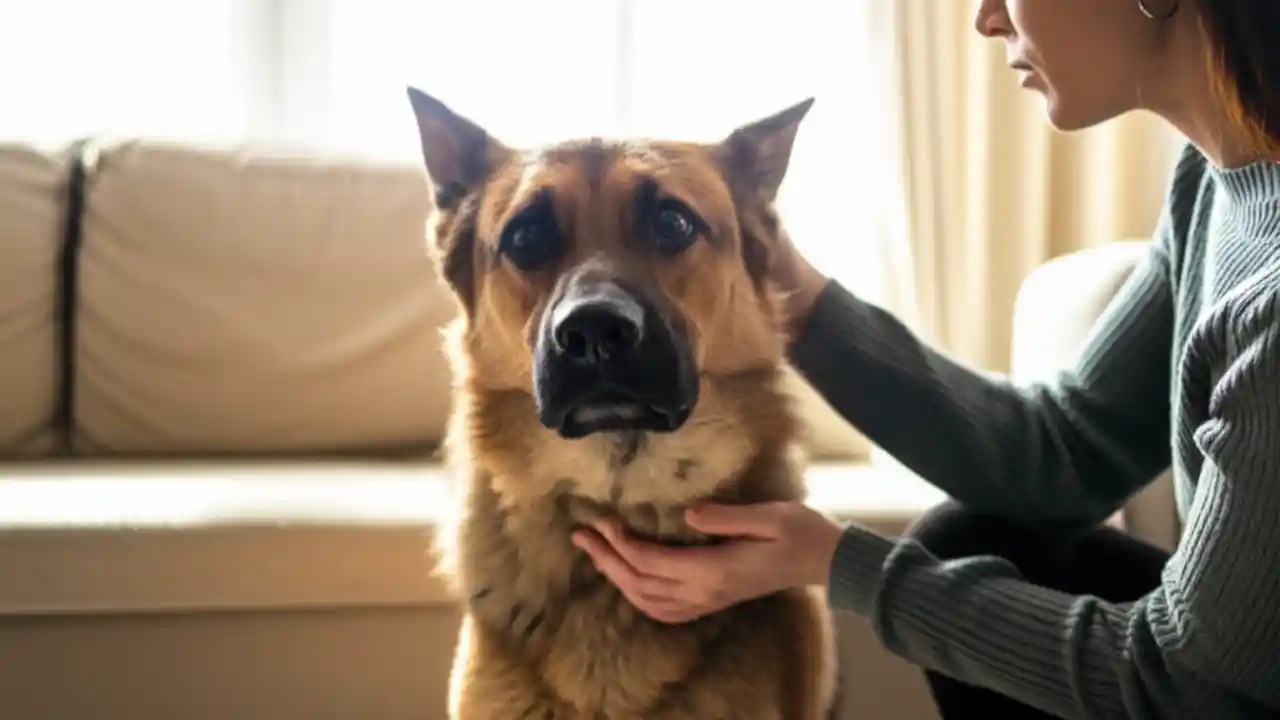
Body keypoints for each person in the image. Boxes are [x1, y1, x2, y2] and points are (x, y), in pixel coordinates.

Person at [570, 0, 1280, 717]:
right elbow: (1065, 452)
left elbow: (1186, 684)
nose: (988, 19)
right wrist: (793, 289)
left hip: (1199, 685)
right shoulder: (1212, 181)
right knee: (968, 540)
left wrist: (836, 562)